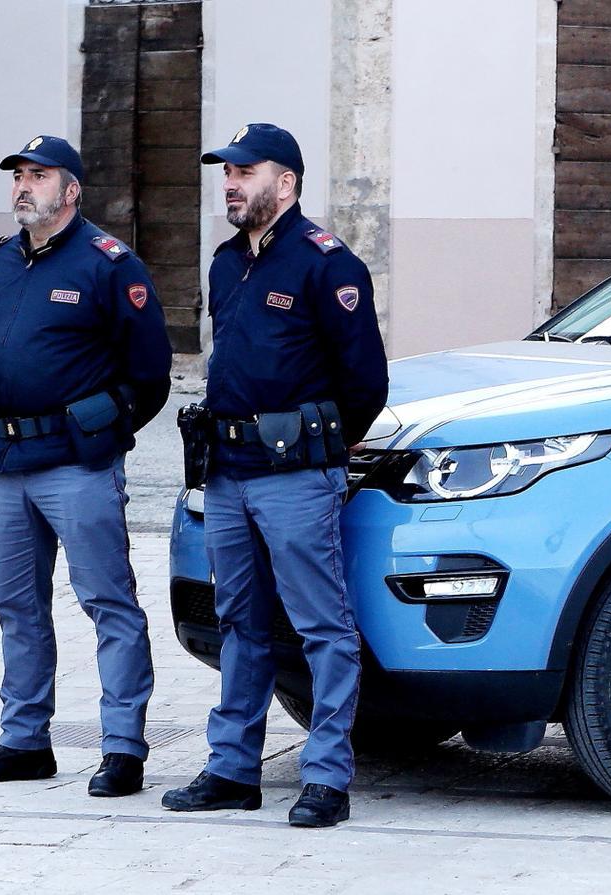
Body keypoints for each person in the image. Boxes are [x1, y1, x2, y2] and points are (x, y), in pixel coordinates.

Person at [162, 123, 388, 827]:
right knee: (239, 622)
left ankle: (325, 776)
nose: (229, 183)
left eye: (244, 171)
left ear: (284, 182)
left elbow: (365, 383)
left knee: (322, 625)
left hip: (295, 474)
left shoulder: (328, 264)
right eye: (225, 172)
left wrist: (316, 450)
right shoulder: (227, 263)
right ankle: (232, 768)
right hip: (227, 471)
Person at [0, 135, 172, 798]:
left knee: (107, 599)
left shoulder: (110, 264)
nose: (25, 186)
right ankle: (25, 738)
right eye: (18, 176)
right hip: (9, 460)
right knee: (16, 603)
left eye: (39, 175)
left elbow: (151, 375)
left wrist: (100, 434)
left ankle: (122, 746)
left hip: (76, 465)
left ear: (71, 189)